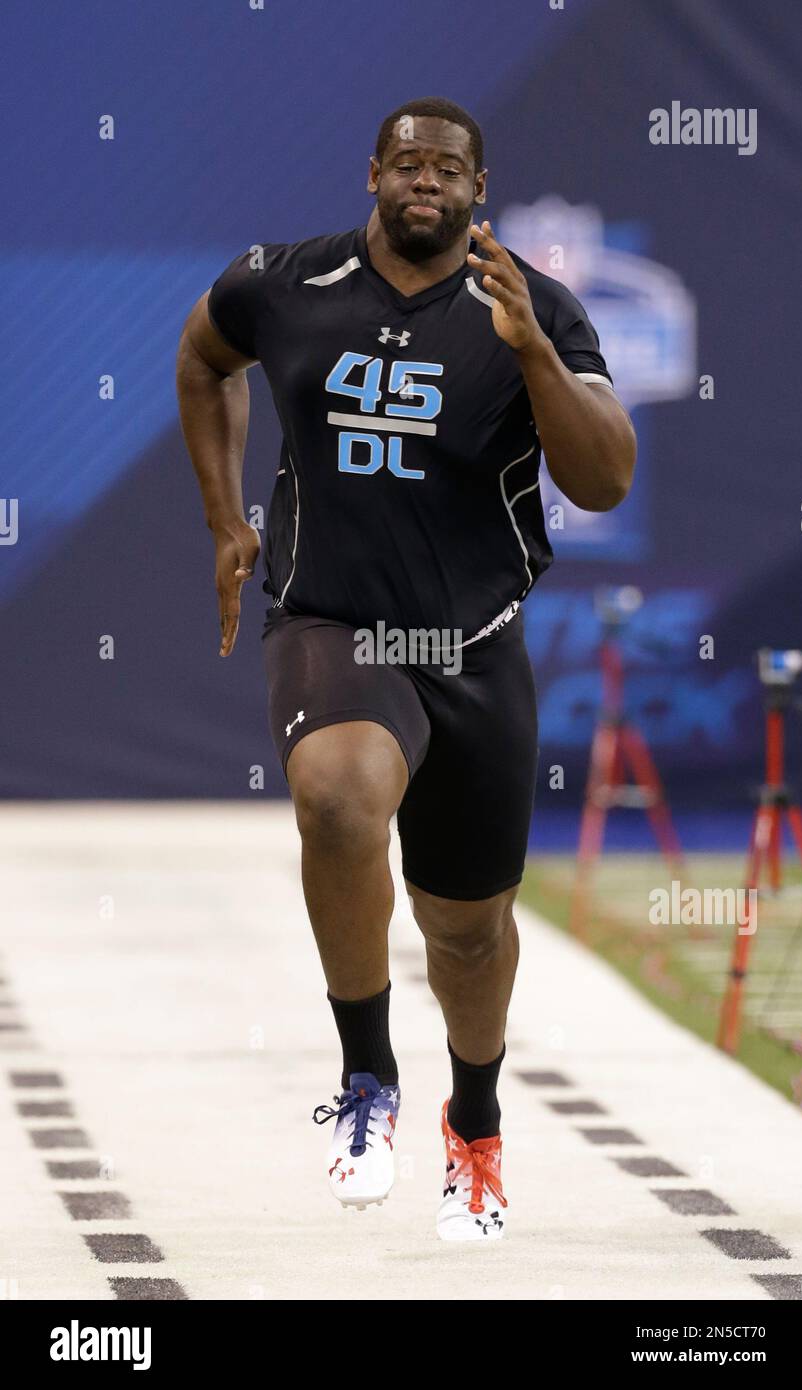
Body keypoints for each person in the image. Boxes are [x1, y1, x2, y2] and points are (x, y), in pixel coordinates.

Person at [176, 96, 636, 1241]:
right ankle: (367, 1081)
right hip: (333, 621)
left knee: (467, 928)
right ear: (372, 172)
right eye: (408, 160)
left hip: (471, 645)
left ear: (482, 191)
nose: (426, 178)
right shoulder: (286, 282)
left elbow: (608, 477)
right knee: (337, 797)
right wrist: (227, 522)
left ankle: (473, 1128)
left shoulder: (534, 307)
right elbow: (202, 355)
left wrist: (534, 351)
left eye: (451, 167)